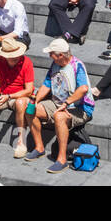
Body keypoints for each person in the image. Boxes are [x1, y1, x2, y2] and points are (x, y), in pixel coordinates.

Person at [24, 38, 93, 172]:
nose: (50, 56)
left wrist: (67, 103)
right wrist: (35, 101)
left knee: (60, 117)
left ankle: (62, 160)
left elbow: (83, 88)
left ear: (60, 55)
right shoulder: (55, 64)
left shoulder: (76, 65)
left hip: (79, 108)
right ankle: (39, 148)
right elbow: (47, 84)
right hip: (57, 103)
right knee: (31, 109)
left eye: (51, 54)